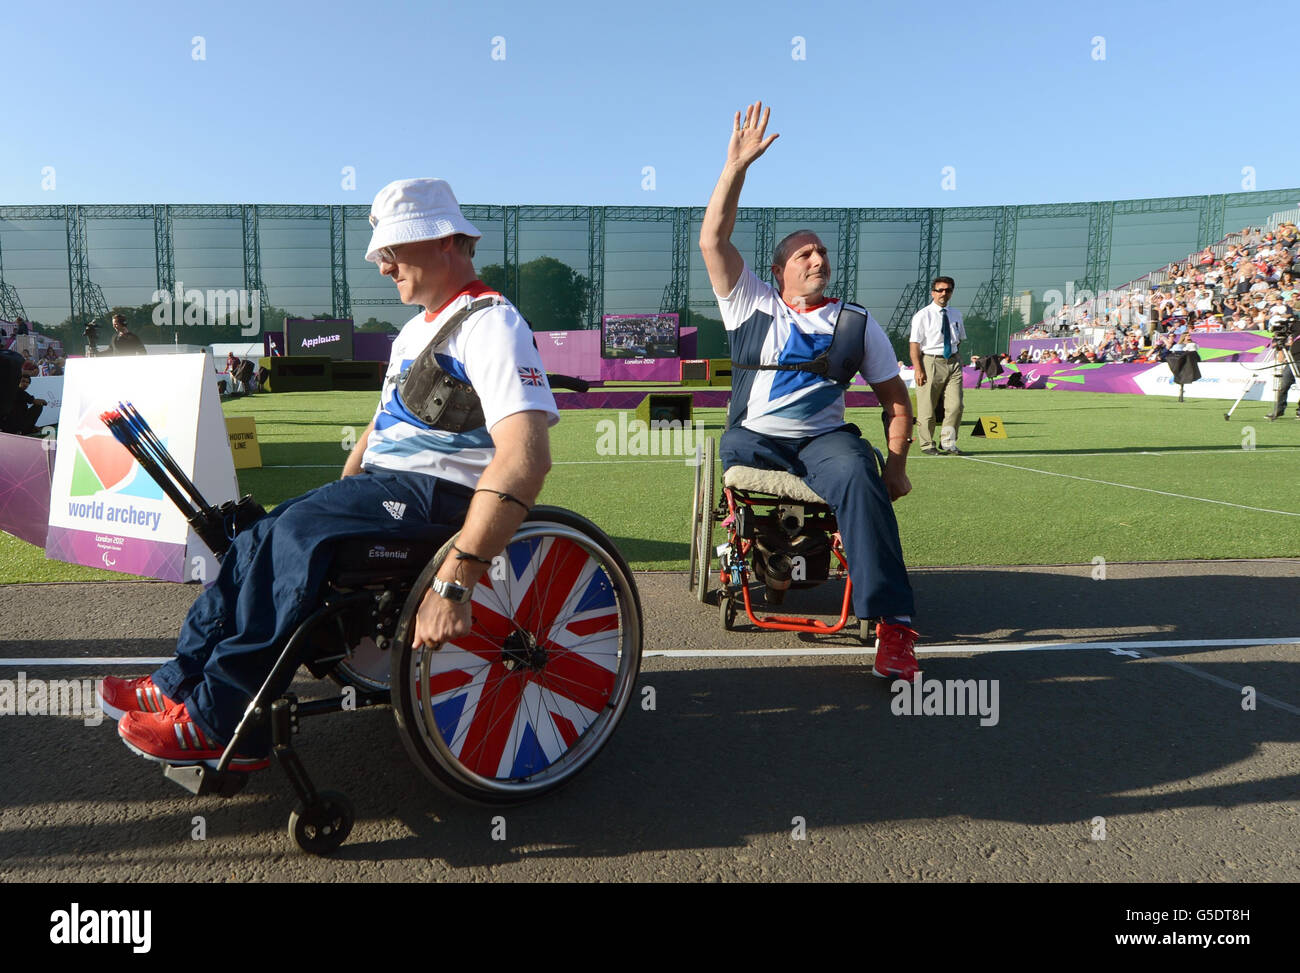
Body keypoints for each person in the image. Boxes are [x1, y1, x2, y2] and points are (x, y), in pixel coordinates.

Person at [99, 177, 559, 768]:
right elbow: (379, 430)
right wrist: (343, 492)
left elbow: (525, 457)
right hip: (386, 488)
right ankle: (180, 681)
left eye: (395, 249)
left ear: (445, 239)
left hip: (439, 499)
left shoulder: (491, 322)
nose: (384, 266)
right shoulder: (415, 330)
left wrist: (456, 578)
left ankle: (219, 719)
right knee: (256, 533)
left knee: (292, 538)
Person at [699, 101, 921, 680]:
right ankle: (769, 555)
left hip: (825, 440)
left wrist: (895, 463)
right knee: (736, 455)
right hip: (755, 439)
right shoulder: (750, 303)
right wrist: (735, 168)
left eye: (821, 251)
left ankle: (894, 628)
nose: (817, 257)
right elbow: (712, 238)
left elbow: (897, 399)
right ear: (779, 272)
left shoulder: (856, 321)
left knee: (859, 476)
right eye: (804, 253)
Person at [909, 276, 966, 455]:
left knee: (956, 405)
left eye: (948, 290)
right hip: (930, 361)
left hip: (953, 361)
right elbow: (914, 345)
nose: (944, 293)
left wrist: (956, 357)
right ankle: (927, 444)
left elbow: (959, 338)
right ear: (933, 292)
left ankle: (948, 443)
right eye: (940, 290)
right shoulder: (922, 315)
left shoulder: (956, 314)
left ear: (952, 292)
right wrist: (918, 368)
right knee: (927, 406)